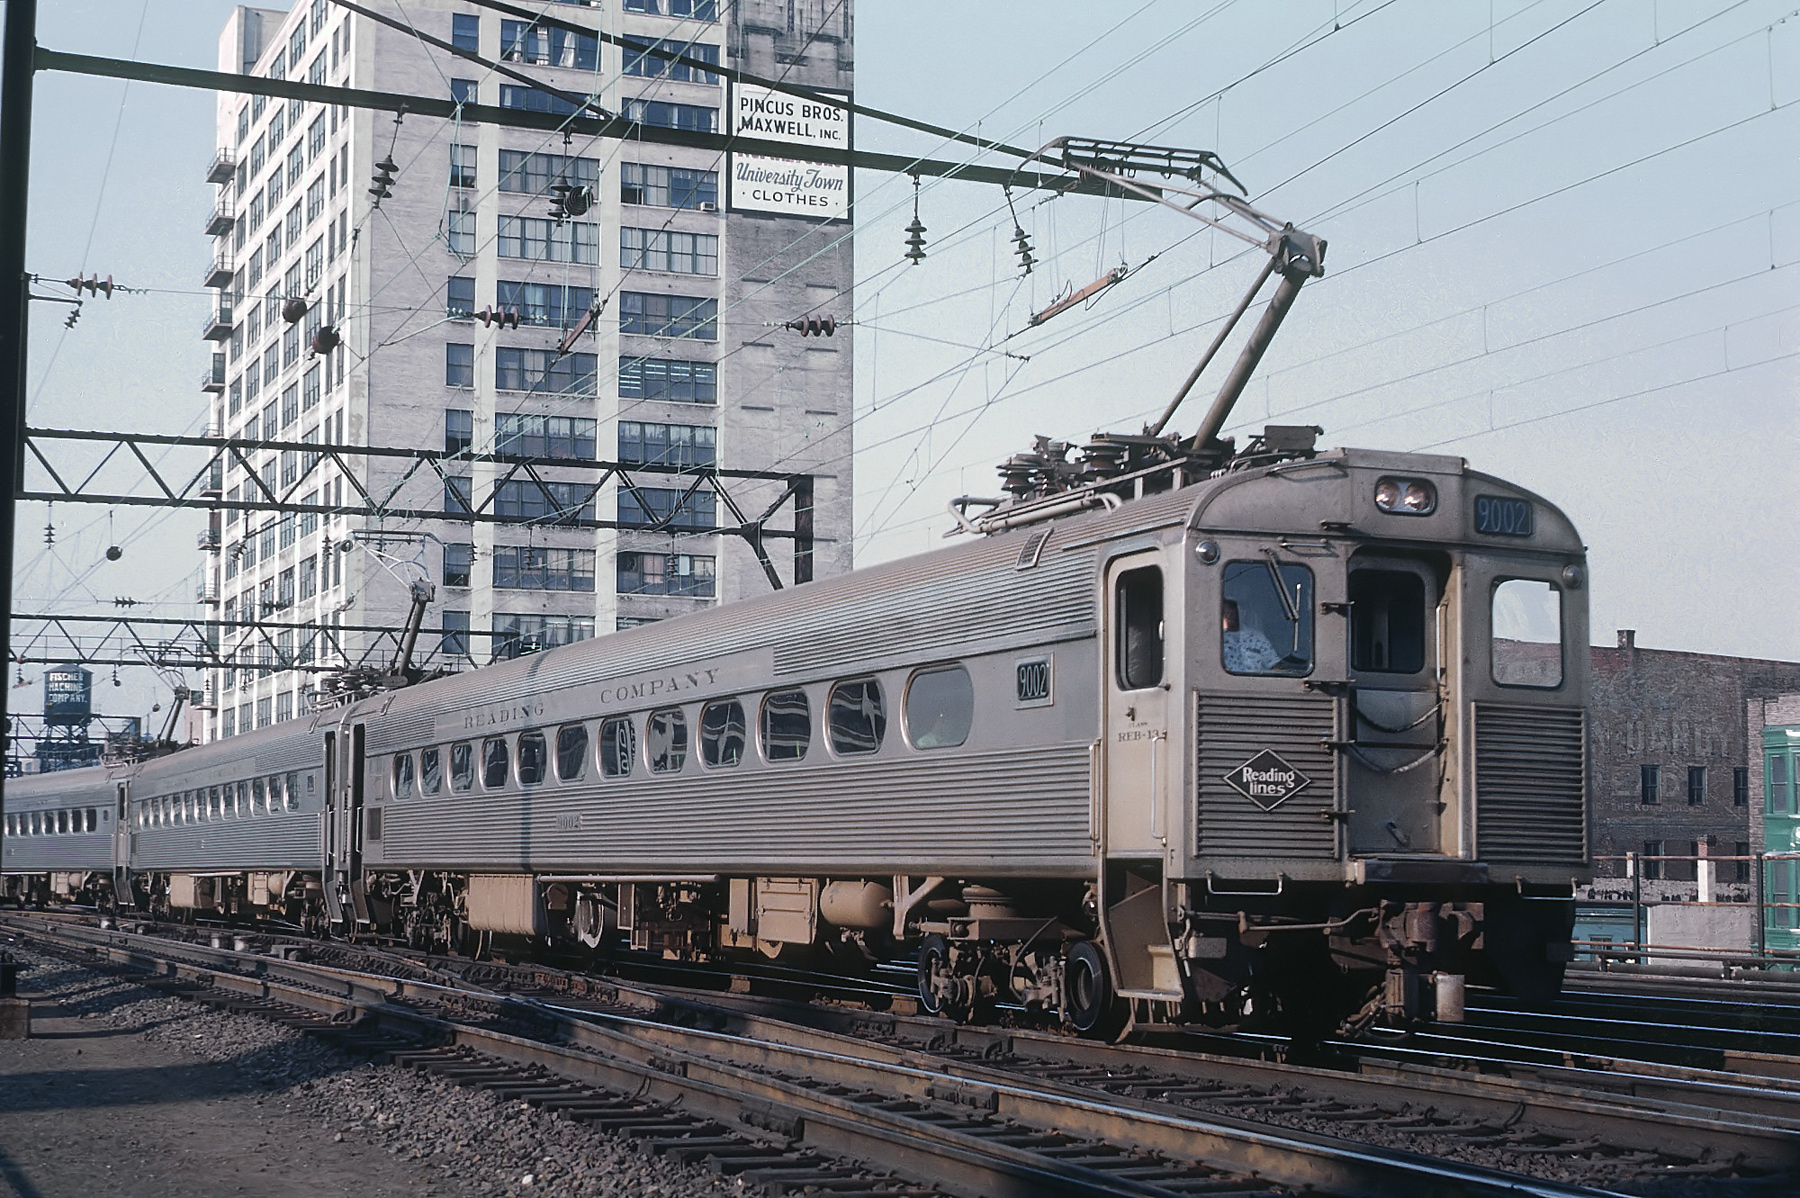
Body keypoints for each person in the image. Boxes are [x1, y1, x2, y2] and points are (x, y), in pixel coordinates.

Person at [1222, 599, 1283, 673]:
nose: (1229, 616)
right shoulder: (1216, 638)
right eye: (1225, 612)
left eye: (1232, 611)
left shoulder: (1256, 637)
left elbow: (1275, 665)